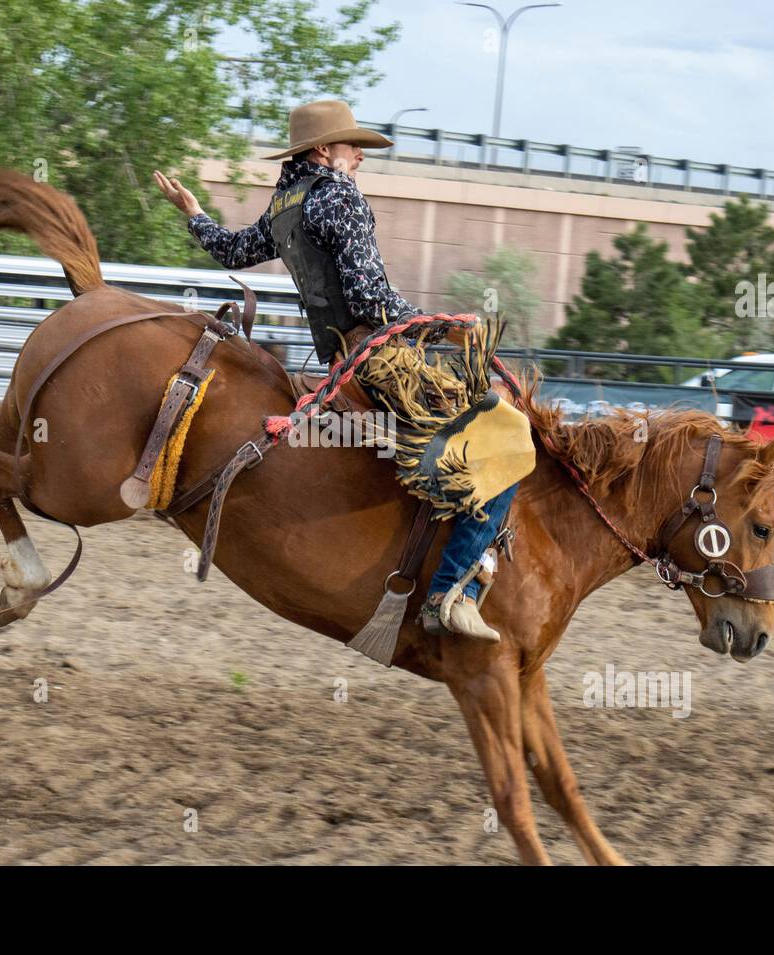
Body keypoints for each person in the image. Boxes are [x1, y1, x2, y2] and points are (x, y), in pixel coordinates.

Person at [153, 99, 517, 642]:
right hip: (381, 359)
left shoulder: (285, 202)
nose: (360, 158)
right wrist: (444, 326)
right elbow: (371, 295)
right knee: (504, 439)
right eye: (353, 147)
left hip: (338, 362)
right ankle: (454, 590)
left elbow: (232, 252)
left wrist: (193, 214)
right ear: (324, 151)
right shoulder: (340, 196)